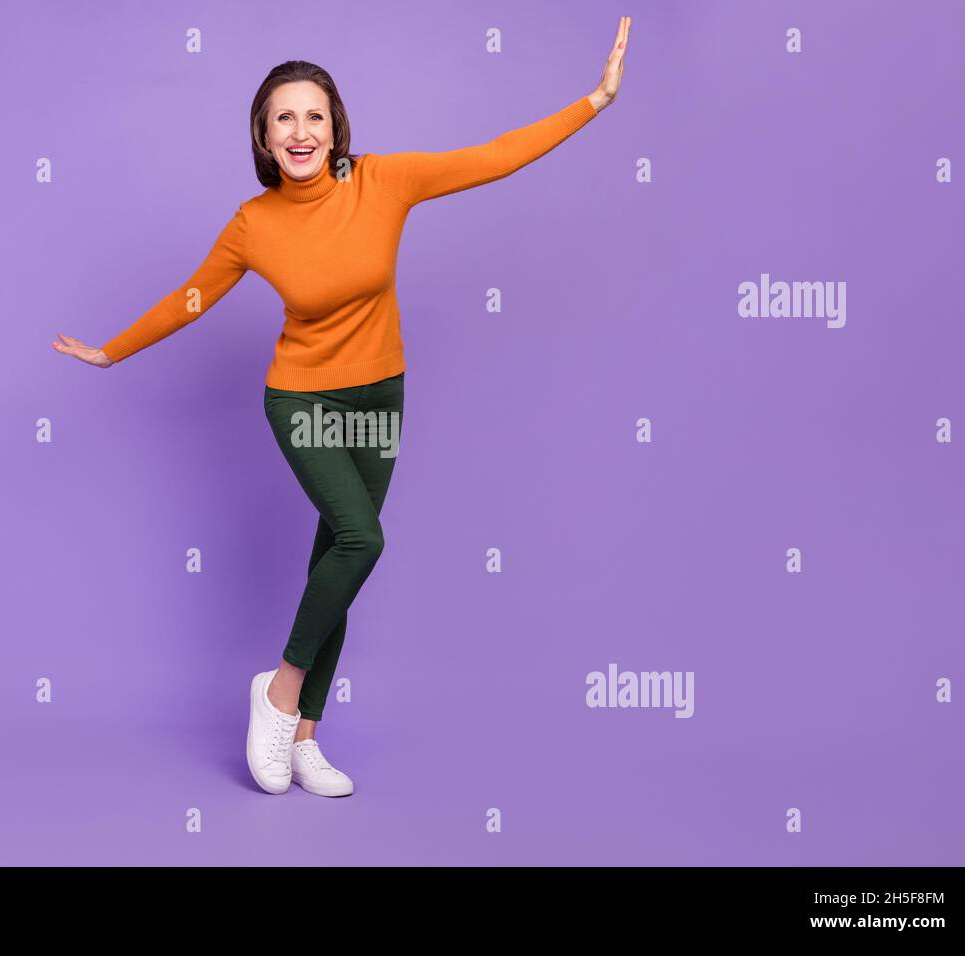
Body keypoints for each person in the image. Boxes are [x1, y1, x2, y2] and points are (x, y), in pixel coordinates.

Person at [54, 16, 630, 797]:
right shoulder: (254, 225)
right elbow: (190, 297)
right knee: (364, 539)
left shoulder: (382, 182)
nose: (300, 131)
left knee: (335, 559)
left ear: (335, 128)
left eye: (314, 116)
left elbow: (490, 158)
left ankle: (306, 741)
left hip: (380, 393)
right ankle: (280, 692)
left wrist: (593, 99)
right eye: (283, 118)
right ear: (263, 135)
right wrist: (111, 349)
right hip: (302, 398)